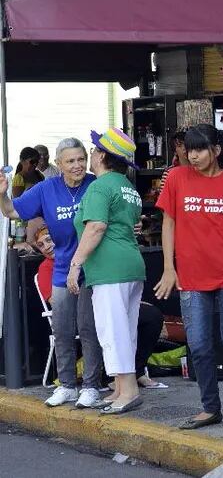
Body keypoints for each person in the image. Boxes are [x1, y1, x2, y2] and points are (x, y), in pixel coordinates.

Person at [154, 124, 223, 438]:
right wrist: (168, 268)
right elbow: (168, 224)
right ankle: (210, 407)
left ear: (216, 150)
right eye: (189, 149)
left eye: (200, 149)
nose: (194, 155)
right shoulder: (176, 178)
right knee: (199, 345)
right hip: (191, 275)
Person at [0, 137, 102, 409]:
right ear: (59, 164)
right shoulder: (47, 188)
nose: (78, 166)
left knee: (88, 329)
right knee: (62, 330)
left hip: (93, 268)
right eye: (70, 161)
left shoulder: (96, 184)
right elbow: (10, 211)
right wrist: (2, 192)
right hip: (61, 269)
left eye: (81, 159)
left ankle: (91, 386)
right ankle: (67, 386)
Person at [66, 128, 145, 415]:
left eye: (92, 150)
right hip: (131, 264)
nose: (90, 155)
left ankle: (129, 390)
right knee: (125, 329)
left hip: (109, 269)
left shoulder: (99, 187)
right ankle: (120, 388)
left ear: (101, 156)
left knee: (113, 331)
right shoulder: (128, 187)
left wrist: (75, 265)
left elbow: (96, 227)